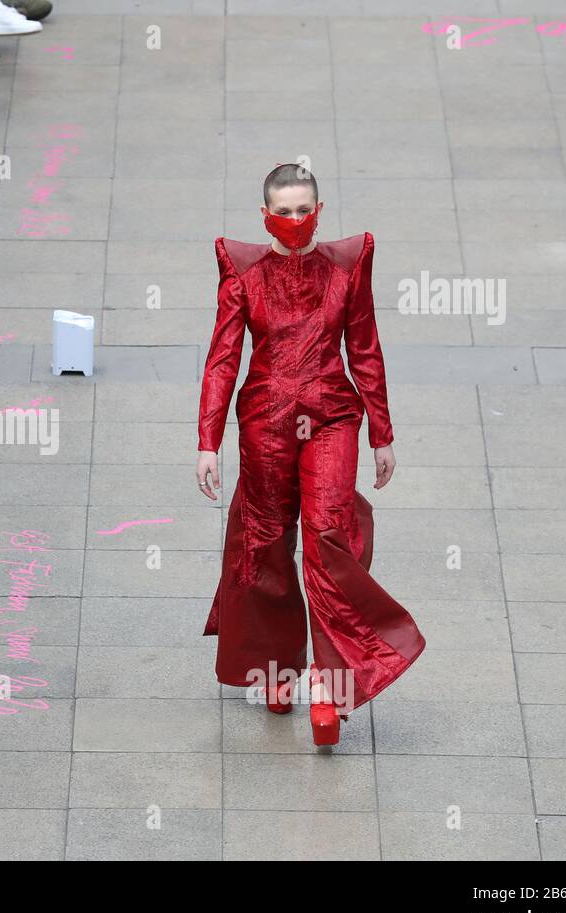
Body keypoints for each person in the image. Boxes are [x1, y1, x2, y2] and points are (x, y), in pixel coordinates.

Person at [196, 163, 426, 747]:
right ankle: (276, 669)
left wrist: (382, 432)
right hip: (265, 421)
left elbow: (365, 348)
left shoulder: (346, 270)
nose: (295, 221)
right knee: (267, 542)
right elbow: (223, 359)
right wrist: (207, 441)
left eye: (305, 210)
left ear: (319, 210)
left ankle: (330, 690)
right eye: (284, 211)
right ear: (265, 215)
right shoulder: (244, 277)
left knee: (328, 539)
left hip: (332, 416)